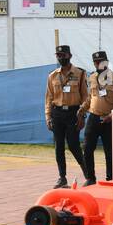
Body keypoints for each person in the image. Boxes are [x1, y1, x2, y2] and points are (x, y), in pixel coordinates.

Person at [45, 44, 89, 188]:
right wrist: (48, 116)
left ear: (69, 56)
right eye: (58, 56)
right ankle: (62, 177)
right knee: (59, 147)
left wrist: (82, 115)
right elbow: (48, 98)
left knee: (74, 145)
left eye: (63, 55)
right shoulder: (52, 76)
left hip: (73, 113)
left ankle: (88, 174)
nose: (60, 58)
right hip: (57, 113)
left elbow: (85, 96)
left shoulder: (80, 73)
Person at [81, 50, 113, 183]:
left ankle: (110, 179)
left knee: (110, 152)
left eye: (101, 61)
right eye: (96, 62)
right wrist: (82, 109)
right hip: (93, 117)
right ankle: (90, 178)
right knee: (87, 148)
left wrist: (112, 115)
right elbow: (90, 97)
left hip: (110, 120)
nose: (99, 64)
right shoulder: (92, 77)